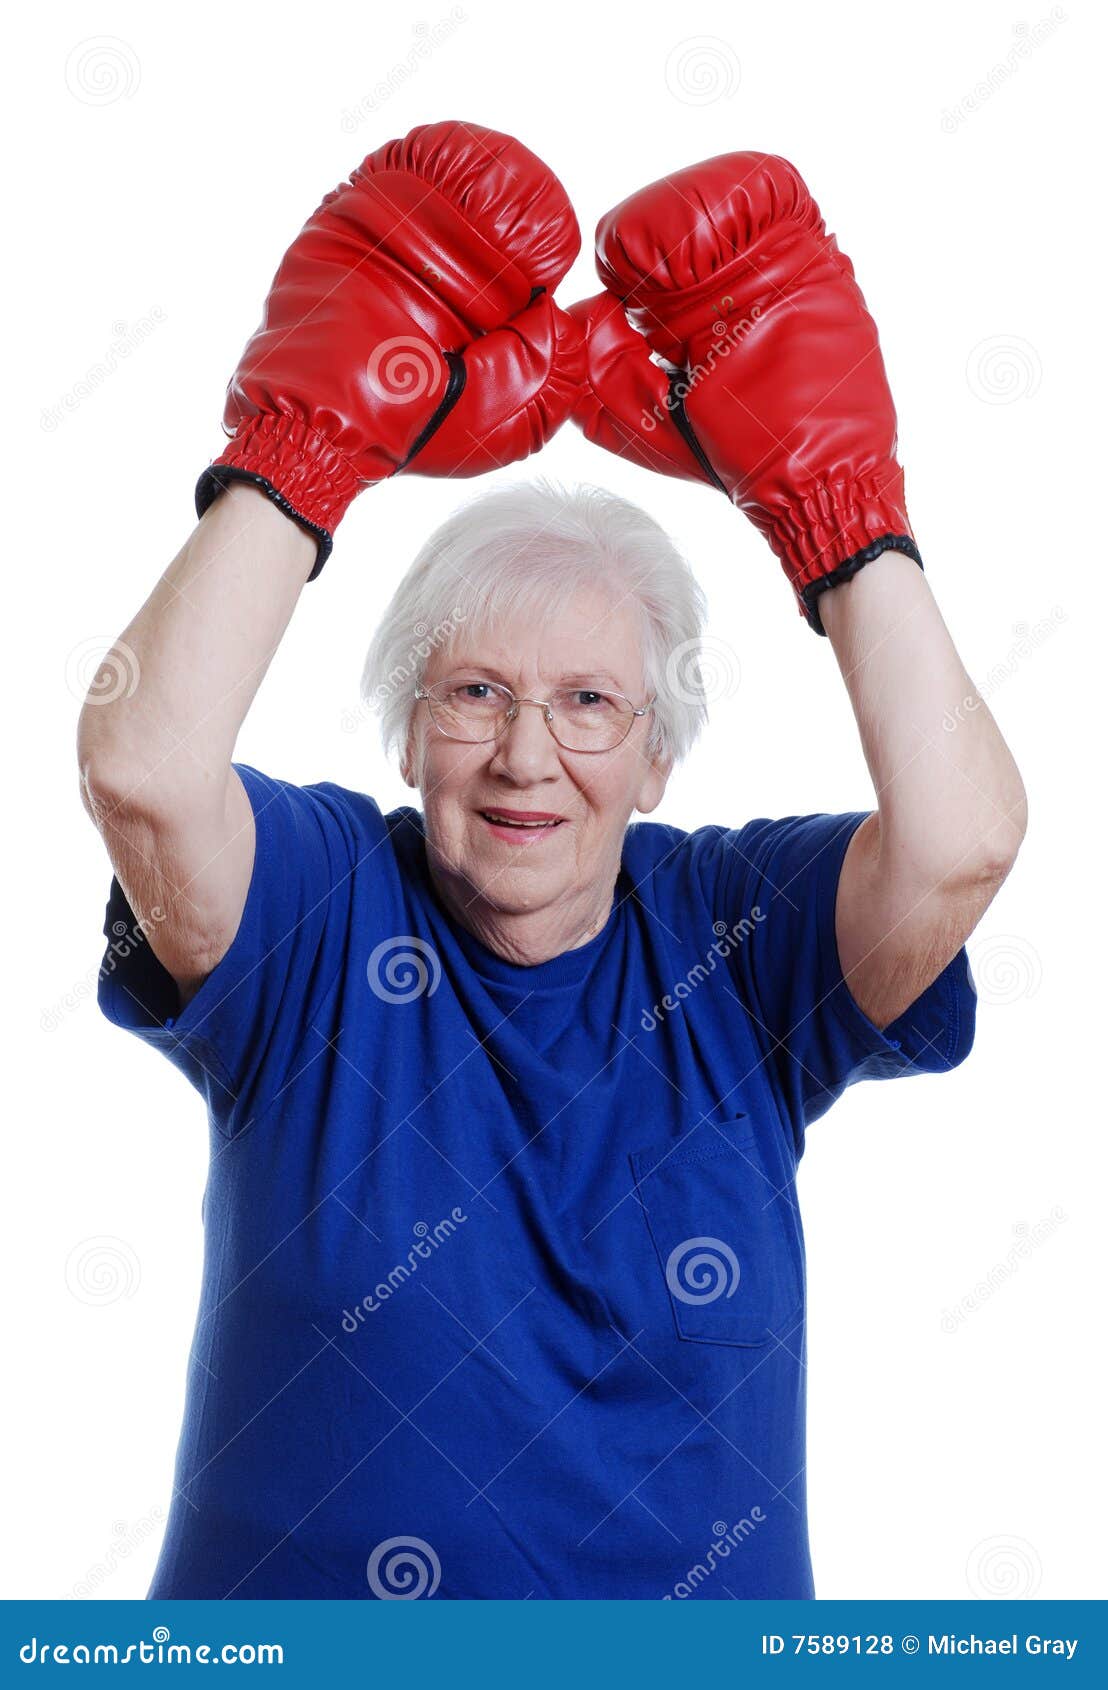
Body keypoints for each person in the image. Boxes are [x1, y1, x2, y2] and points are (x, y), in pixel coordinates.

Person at [77, 121, 1026, 1600]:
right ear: (405, 731)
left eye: (589, 703)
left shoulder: (739, 932)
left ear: (660, 754)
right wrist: (301, 450)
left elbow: (964, 837)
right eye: (475, 694)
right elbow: (142, 769)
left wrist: (842, 523)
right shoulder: (325, 906)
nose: (528, 756)